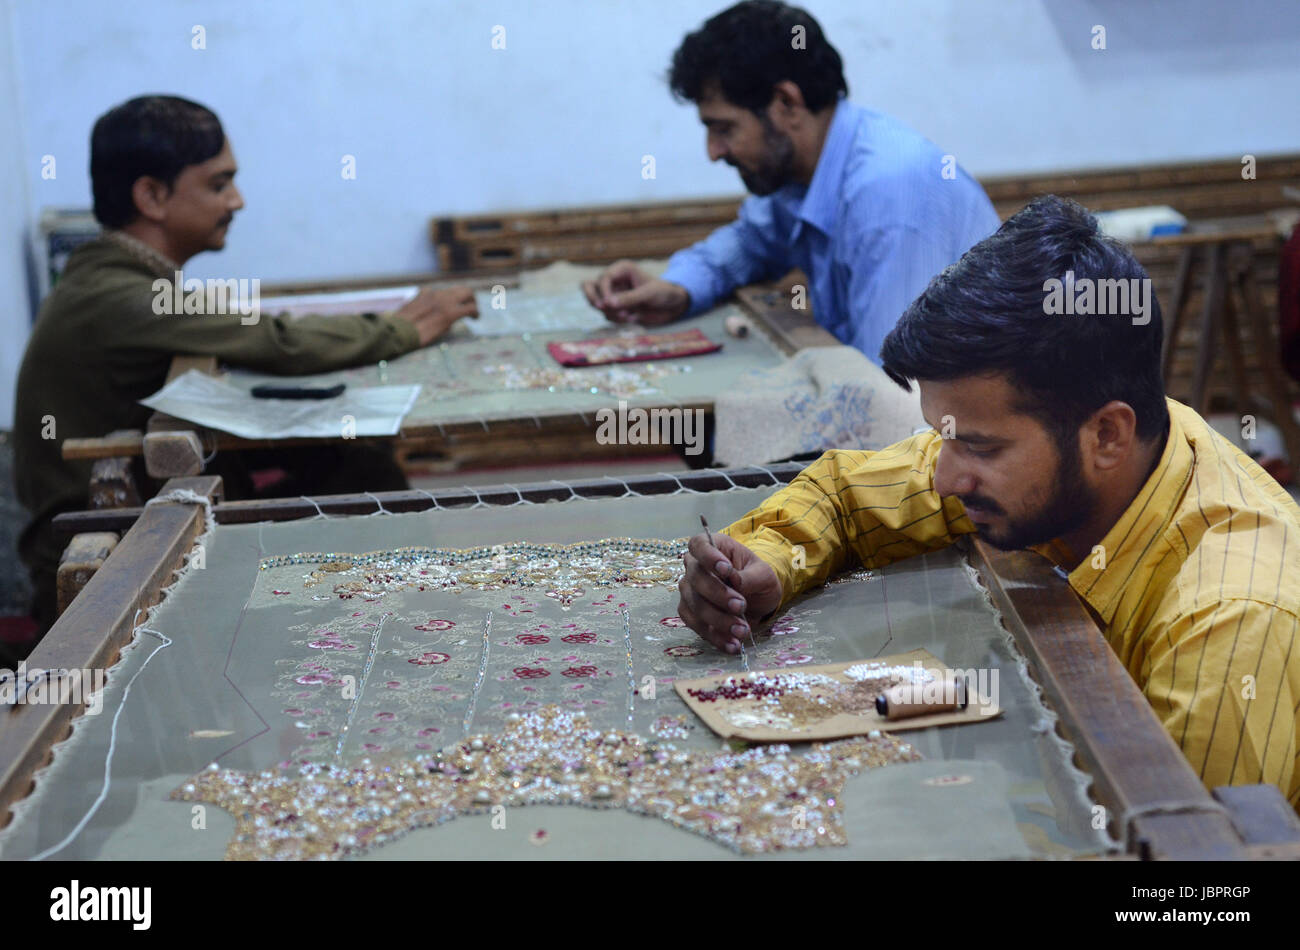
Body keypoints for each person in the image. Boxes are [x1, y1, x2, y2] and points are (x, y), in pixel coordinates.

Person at [675, 194, 1300, 808]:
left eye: (978, 446)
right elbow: (843, 493)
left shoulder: (1228, 623)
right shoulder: (1096, 449)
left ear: (1107, 434)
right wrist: (765, 563)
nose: (945, 479)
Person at [13, 95, 477, 640]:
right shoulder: (119, 296)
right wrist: (406, 328)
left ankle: (398, 626)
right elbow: (277, 342)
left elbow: (259, 335)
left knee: (351, 458)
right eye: (218, 184)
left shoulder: (111, 280)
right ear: (152, 195)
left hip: (125, 515)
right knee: (364, 475)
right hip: (103, 548)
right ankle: (405, 637)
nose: (237, 200)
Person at [582, 0, 999, 363]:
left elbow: (897, 394)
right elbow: (748, 243)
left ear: (785, 104)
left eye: (724, 128)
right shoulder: (802, 173)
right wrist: (678, 289)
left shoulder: (890, 195)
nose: (713, 152)